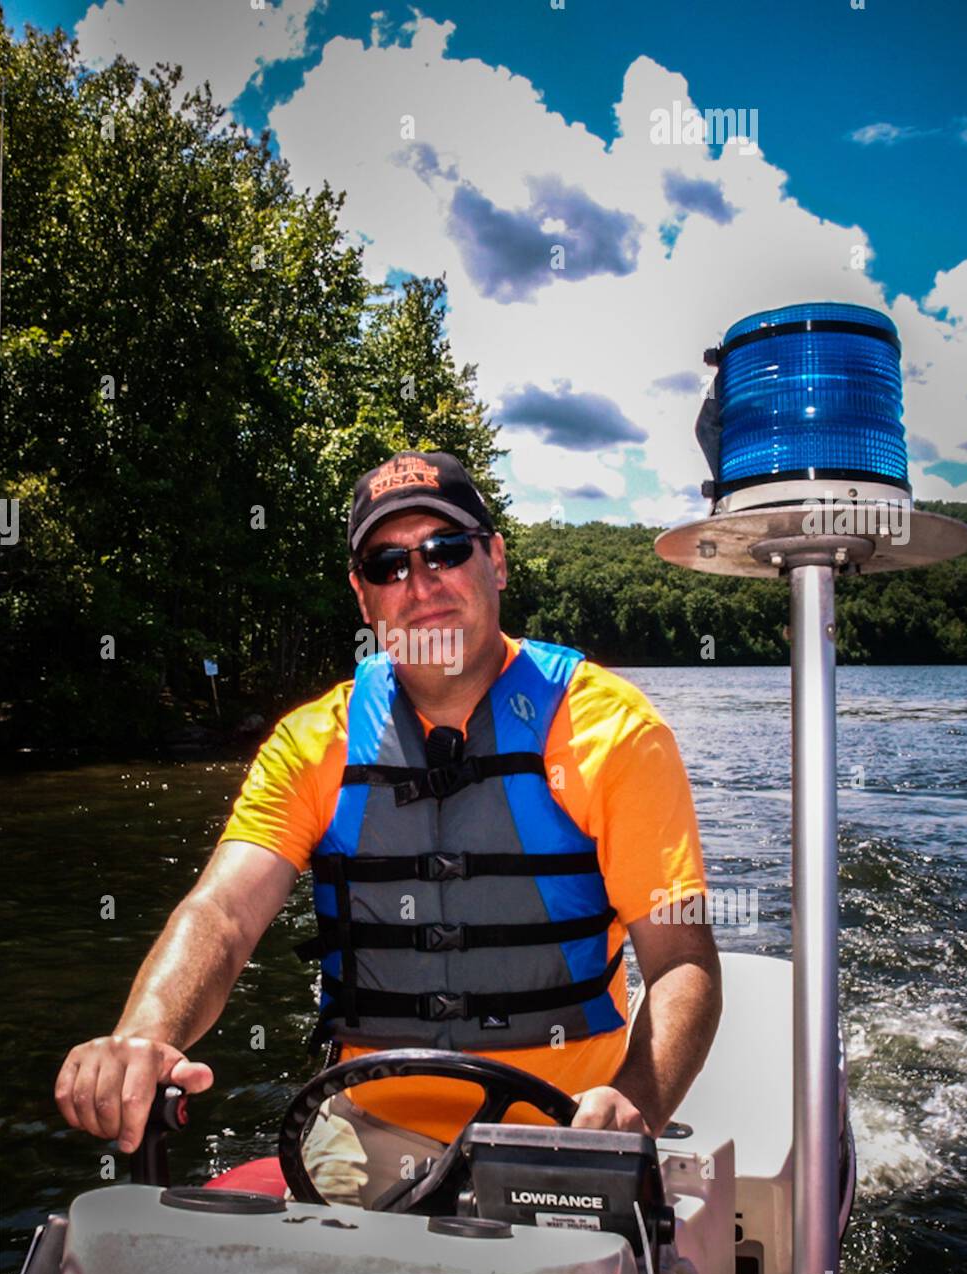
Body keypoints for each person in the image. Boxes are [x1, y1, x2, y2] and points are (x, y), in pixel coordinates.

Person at [55, 450, 721, 1208]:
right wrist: (144, 1033)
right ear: (362, 595)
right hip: (363, 1129)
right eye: (387, 563)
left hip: (563, 1132)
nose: (421, 583)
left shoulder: (616, 732)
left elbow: (680, 959)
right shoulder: (314, 742)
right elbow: (224, 913)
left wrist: (635, 1102)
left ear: (496, 561)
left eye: (445, 550)